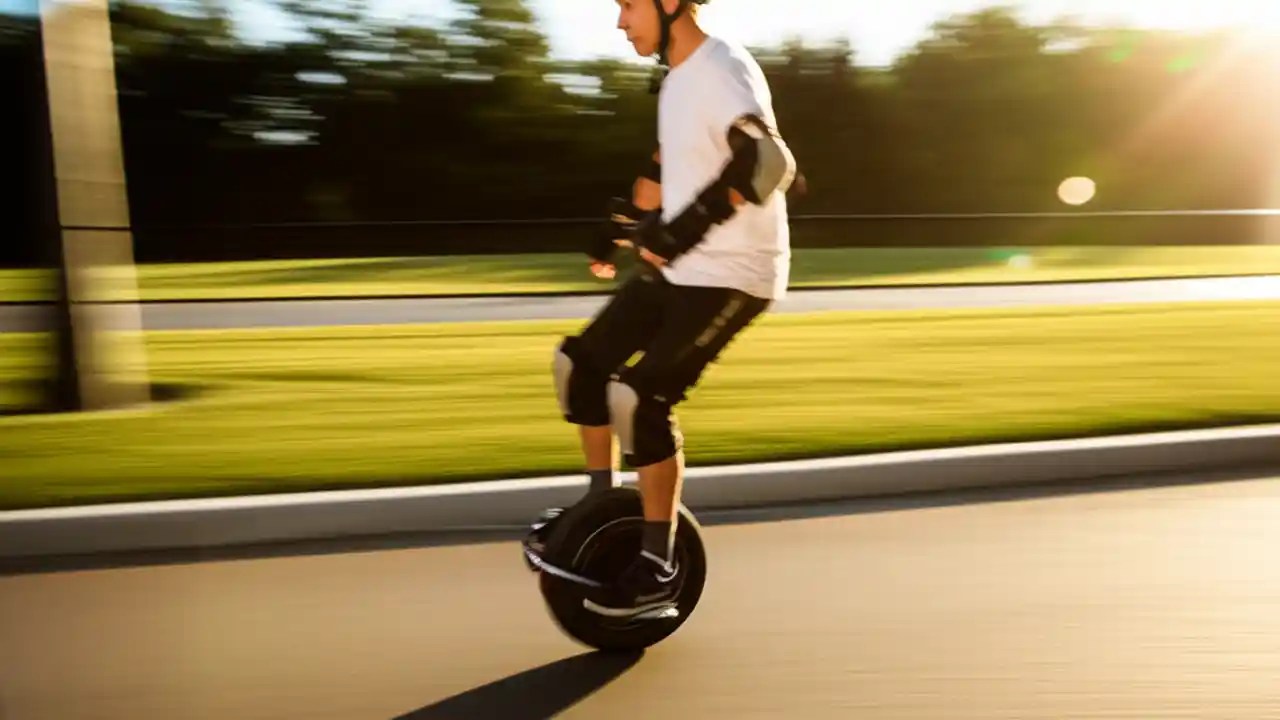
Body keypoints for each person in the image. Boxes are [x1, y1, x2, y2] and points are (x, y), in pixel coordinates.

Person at [525, 0, 798, 619]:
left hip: (735, 273)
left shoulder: (722, 65)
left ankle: (658, 564)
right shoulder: (675, 79)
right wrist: (620, 224)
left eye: (627, 5)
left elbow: (768, 162)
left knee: (640, 399)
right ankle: (601, 509)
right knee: (580, 366)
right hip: (681, 267)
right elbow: (665, 166)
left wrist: (675, 236)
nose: (620, 22)